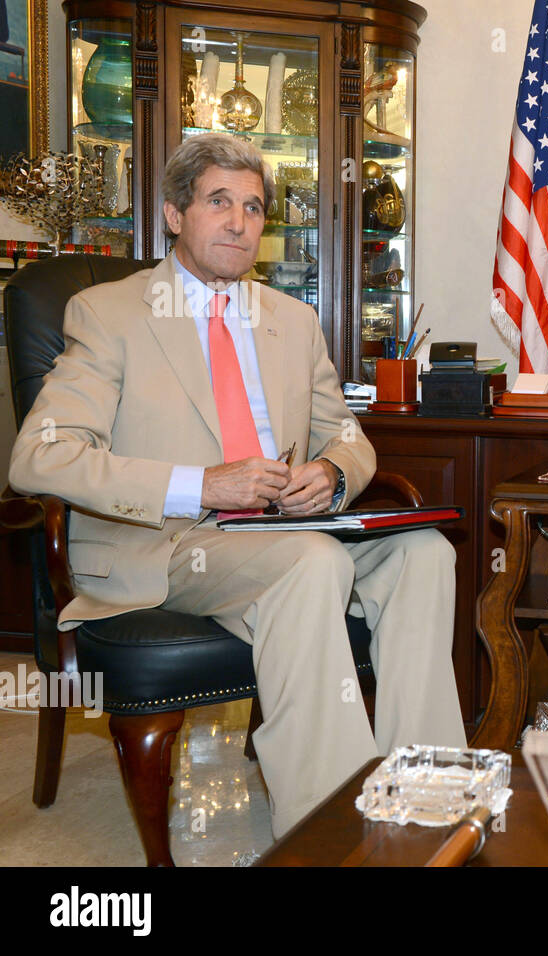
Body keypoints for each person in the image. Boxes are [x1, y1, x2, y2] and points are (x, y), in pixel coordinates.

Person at [9, 132, 464, 838]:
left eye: (253, 208)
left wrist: (333, 474)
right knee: (313, 564)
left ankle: (428, 799)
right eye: (219, 202)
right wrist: (200, 485)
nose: (239, 222)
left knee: (425, 553)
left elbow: (347, 435)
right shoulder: (110, 314)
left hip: (280, 529)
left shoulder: (291, 319)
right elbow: (39, 458)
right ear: (172, 213)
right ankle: (329, 831)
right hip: (167, 545)